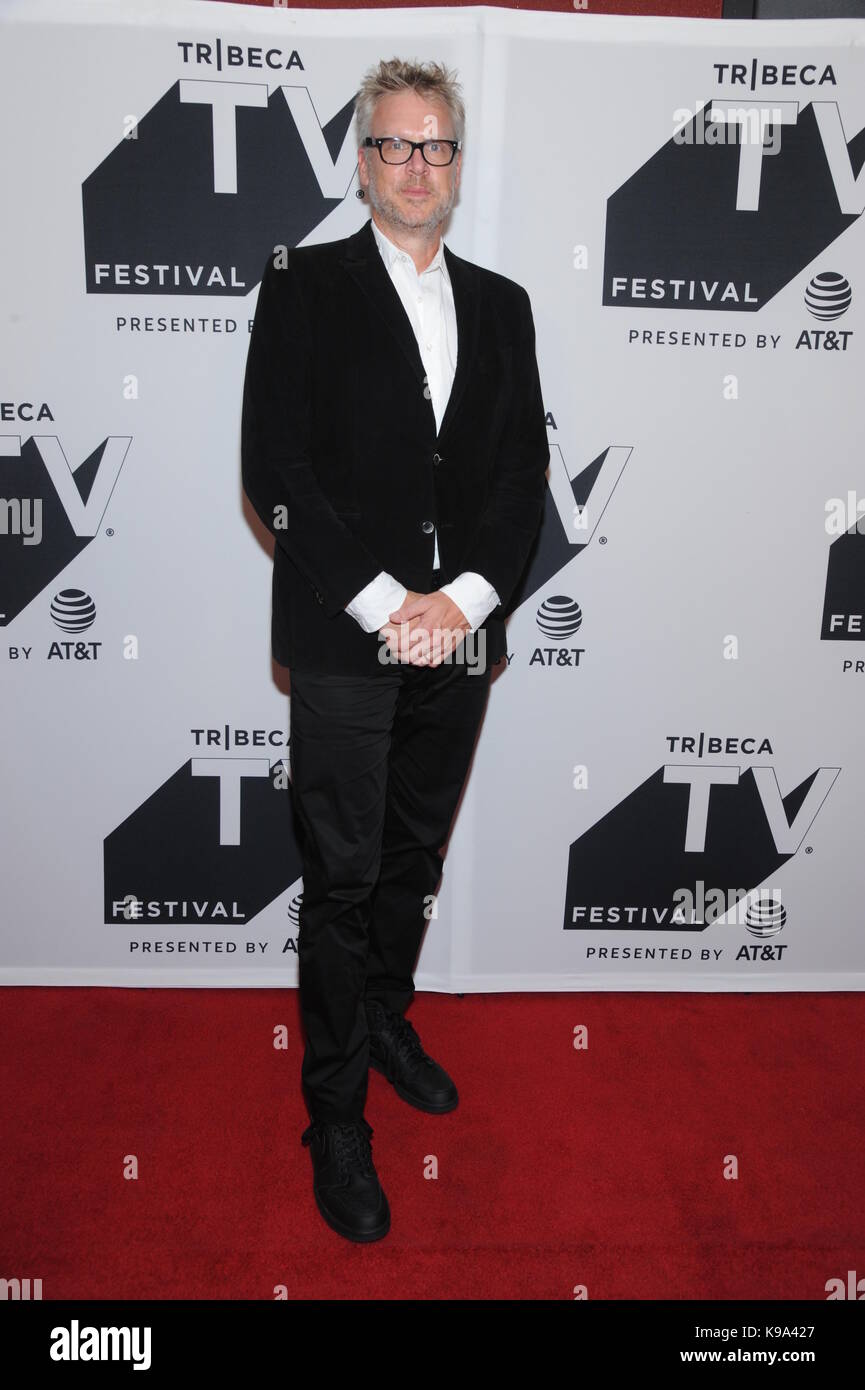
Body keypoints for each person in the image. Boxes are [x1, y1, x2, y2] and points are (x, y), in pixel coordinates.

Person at [241, 57, 549, 1243]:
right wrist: (389, 604)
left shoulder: (506, 303)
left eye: (437, 147)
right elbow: (279, 474)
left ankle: (382, 1015)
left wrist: (462, 601)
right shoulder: (303, 287)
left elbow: (522, 479)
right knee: (342, 879)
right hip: (342, 634)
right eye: (394, 146)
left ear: (457, 167)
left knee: (412, 855)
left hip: (461, 636)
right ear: (360, 162)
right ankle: (332, 1115)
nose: (416, 166)